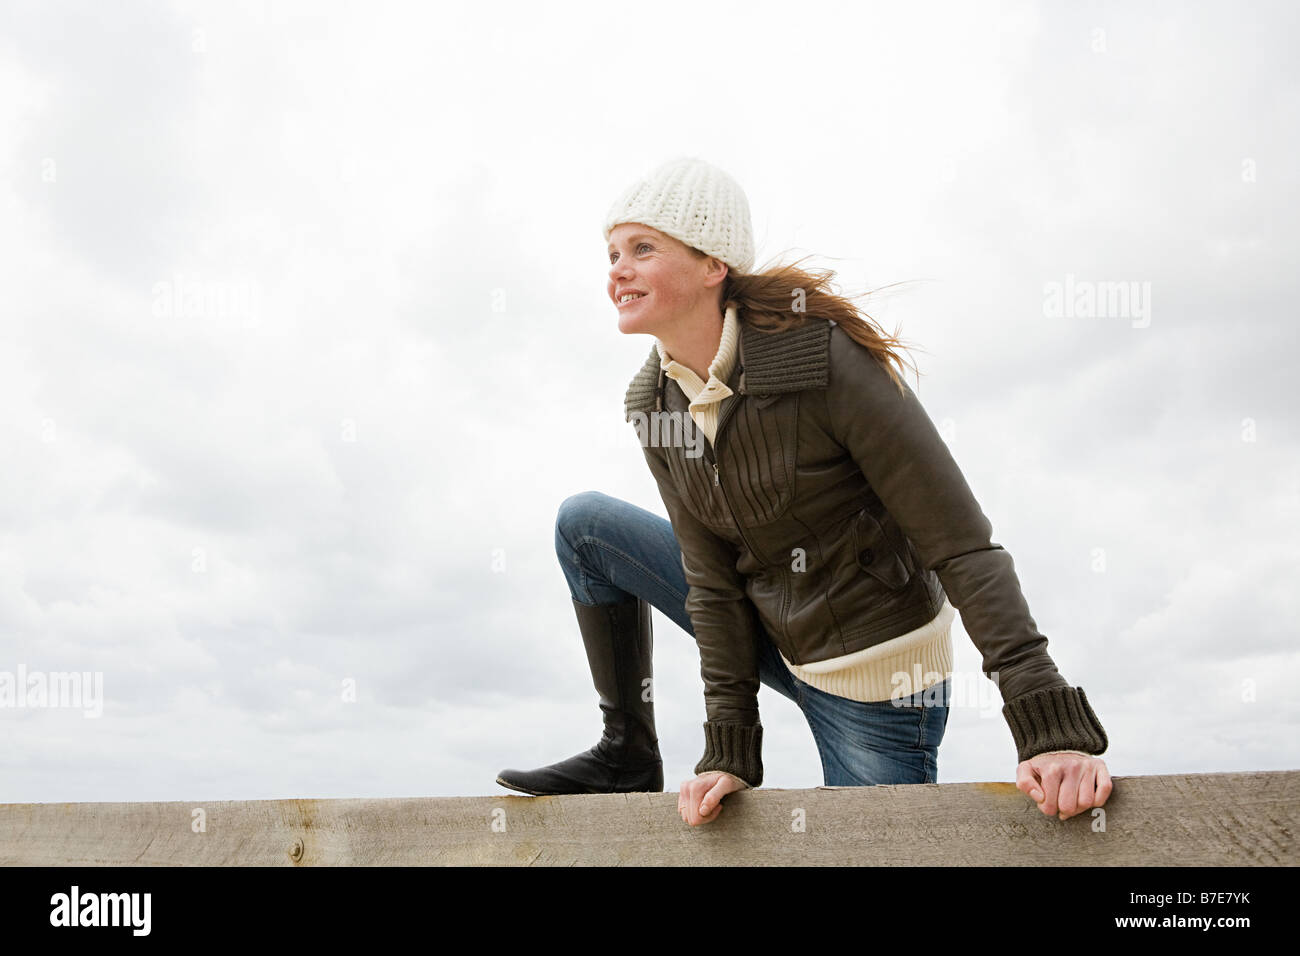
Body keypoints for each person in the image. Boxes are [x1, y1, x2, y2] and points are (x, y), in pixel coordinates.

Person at [496, 156, 1112, 827]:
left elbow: (960, 543)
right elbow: (710, 582)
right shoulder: (654, 402)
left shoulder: (820, 358)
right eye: (613, 252)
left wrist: (1048, 724)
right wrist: (728, 748)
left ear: (713, 265)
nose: (617, 269)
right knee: (584, 525)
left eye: (644, 249)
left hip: (877, 676)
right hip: (779, 627)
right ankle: (626, 754)